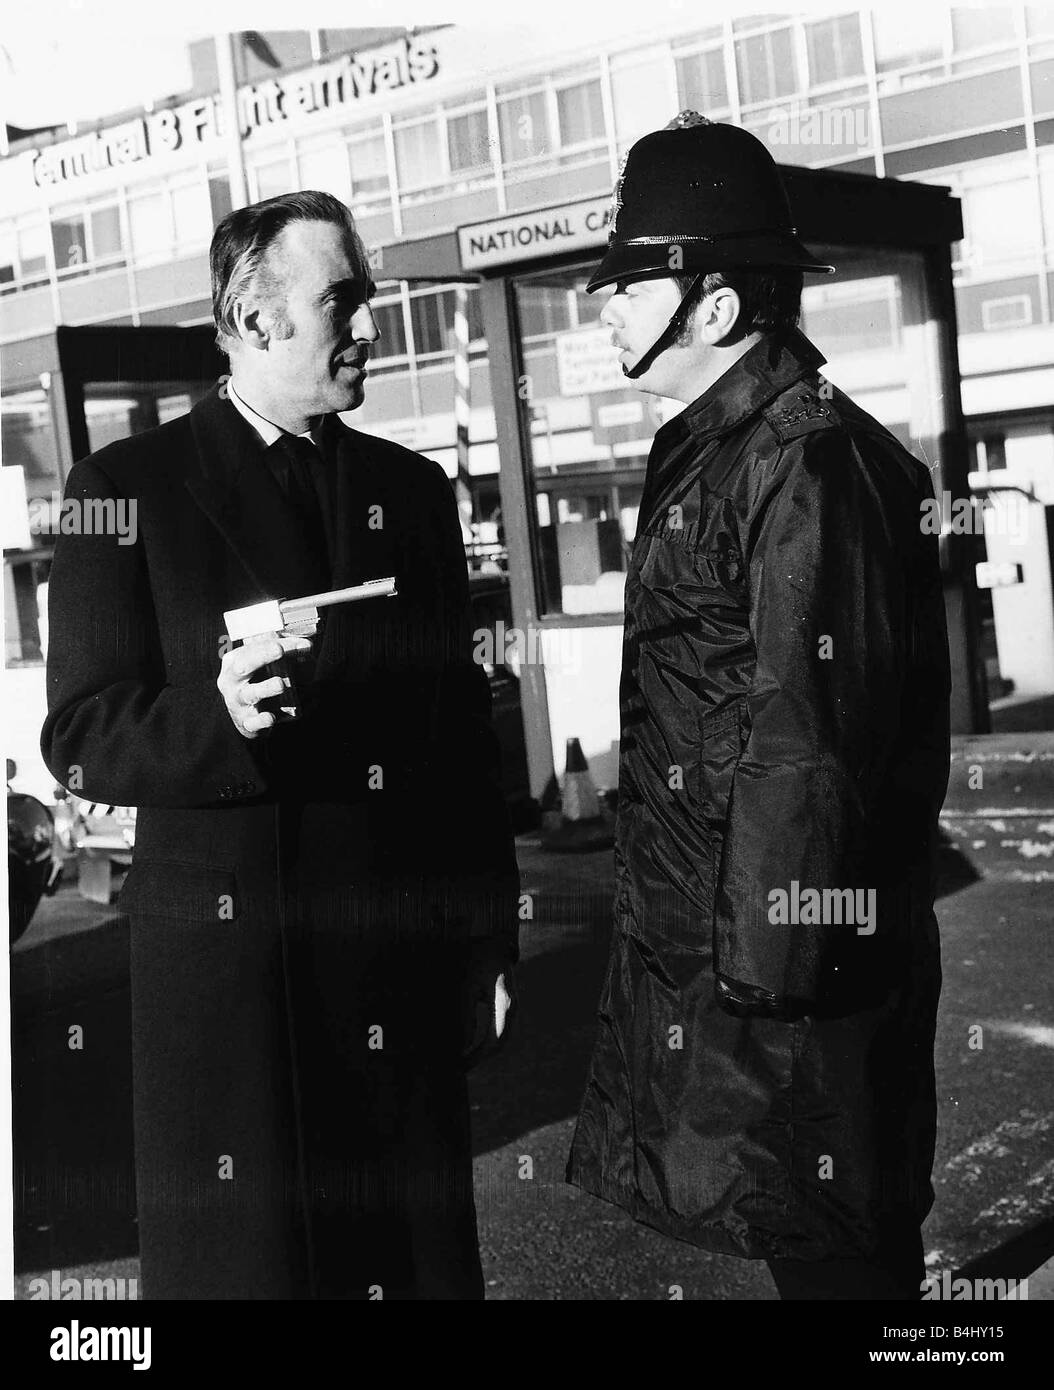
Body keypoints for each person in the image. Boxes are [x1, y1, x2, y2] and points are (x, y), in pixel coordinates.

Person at [42, 190, 519, 1300]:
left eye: (368, 298)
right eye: (342, 301)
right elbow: (78, 736)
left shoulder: (413, 491)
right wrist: (217, 720)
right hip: (234, 1005)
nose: (369, 327)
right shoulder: (122, 492)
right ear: (253, 325)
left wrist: (485, 940)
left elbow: (458, 753)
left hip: (391, 979)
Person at [566, 113, 951, 1301]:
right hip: (755, 979)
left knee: (839, 1258)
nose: (606, 309)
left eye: (630, 282)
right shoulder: (730, 451)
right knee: (814, 1251)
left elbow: (809, 744)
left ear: (717, 306)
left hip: (792, 990)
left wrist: (766, 996)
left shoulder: (805, 461)